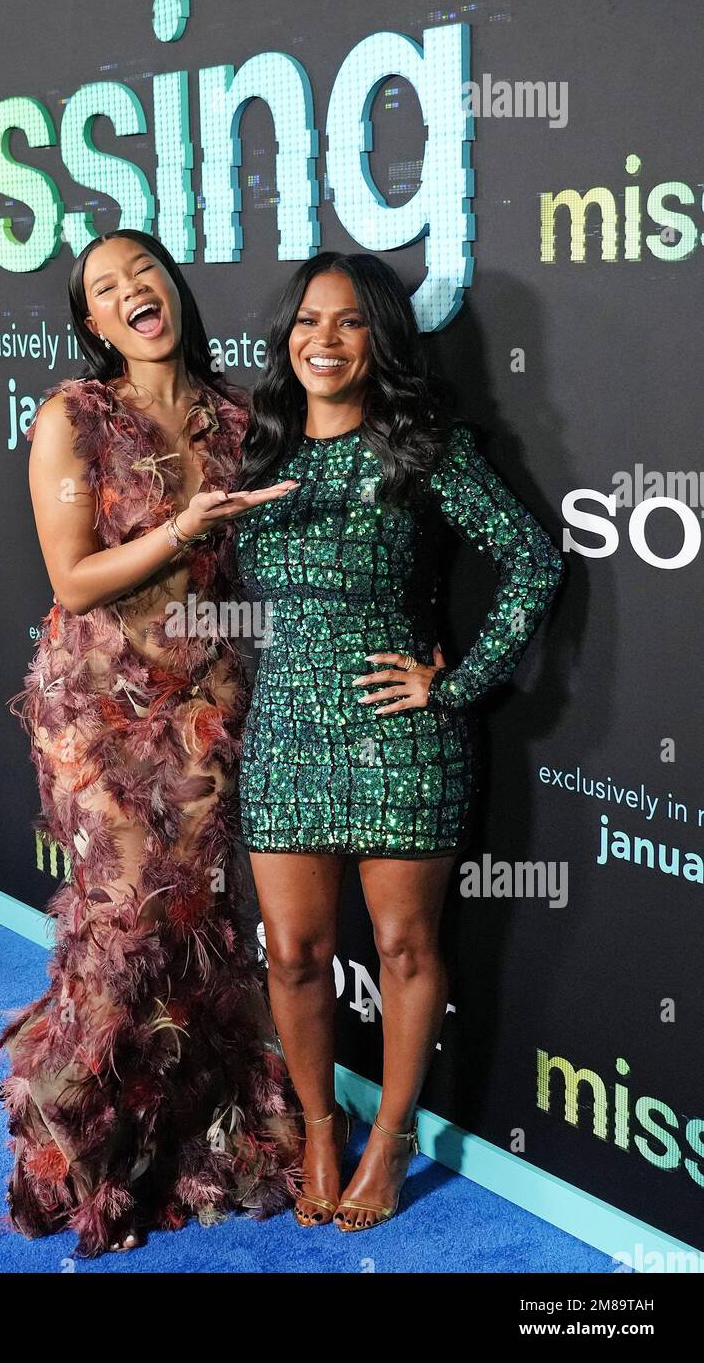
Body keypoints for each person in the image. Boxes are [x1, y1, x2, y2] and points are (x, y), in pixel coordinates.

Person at [230, 252, 566, 1232]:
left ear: (379, 339)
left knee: (406, 944)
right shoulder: (263, 451)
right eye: (307, 321)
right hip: (288, 725)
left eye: (346, 323)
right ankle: (322, 1126)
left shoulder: (422, 448)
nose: (322, 341)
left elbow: (532, 560)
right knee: (293, 952)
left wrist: (456, 682)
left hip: (398, 737)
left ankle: (391, 1140)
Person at [0, 229, 302, 1258]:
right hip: (98, 713)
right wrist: (181, 528)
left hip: (207, 703)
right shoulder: (74, 417)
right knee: (121, 928)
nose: (133, 294)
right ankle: (79, 1160)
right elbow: (72, 579)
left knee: (195, 926)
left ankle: (194, 1147)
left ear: (173, 286)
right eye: (106, 289)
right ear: (92, 322)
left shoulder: (235, 417)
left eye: (145, 274)